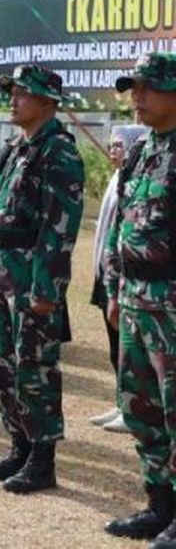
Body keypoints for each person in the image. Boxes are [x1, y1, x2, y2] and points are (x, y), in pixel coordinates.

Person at [0, 64, 84, 494]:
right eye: (14, 91)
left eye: (25, 93)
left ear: (49, 102)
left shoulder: (58, 152)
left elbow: (59, 229)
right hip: (2, 268)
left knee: (35, 365)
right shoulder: (19, 147)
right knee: (3, 361)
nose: (14, 99)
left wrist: (44, 288)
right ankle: (18, 444)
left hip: (30, 274)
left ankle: (43, 458)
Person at [103, 53, 176, 545]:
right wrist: (113, 289)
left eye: (149, 87)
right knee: (141, 408)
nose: (137, 96)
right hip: (134, 299)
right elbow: (120, 223)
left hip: (171, 302)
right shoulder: (143, 150)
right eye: (133, 87)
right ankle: (160, 504)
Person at [88, 124, 149, 433]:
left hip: (138, 282)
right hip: (109, 274)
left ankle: (133, 407)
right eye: (110, 145)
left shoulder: (140, 176)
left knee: (131, 352)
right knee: (116, 346)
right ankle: (121, 401)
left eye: (118, 145)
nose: (113, 150)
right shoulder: (118, 177)